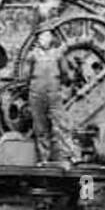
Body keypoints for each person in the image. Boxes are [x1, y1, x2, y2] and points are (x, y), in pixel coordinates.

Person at [26, 28, 77, 165]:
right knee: (40, 127)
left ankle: (71, 155)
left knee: (62, 124)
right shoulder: (32, 56)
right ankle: (44, 158)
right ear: (38, 40)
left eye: (47, 37)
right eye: (42, 37)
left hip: (54, 94)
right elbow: (26, 76)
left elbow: (65, 73)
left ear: (51, 39)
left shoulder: (58, 55)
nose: (45, 40)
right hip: (37, 93)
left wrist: (65, 87)